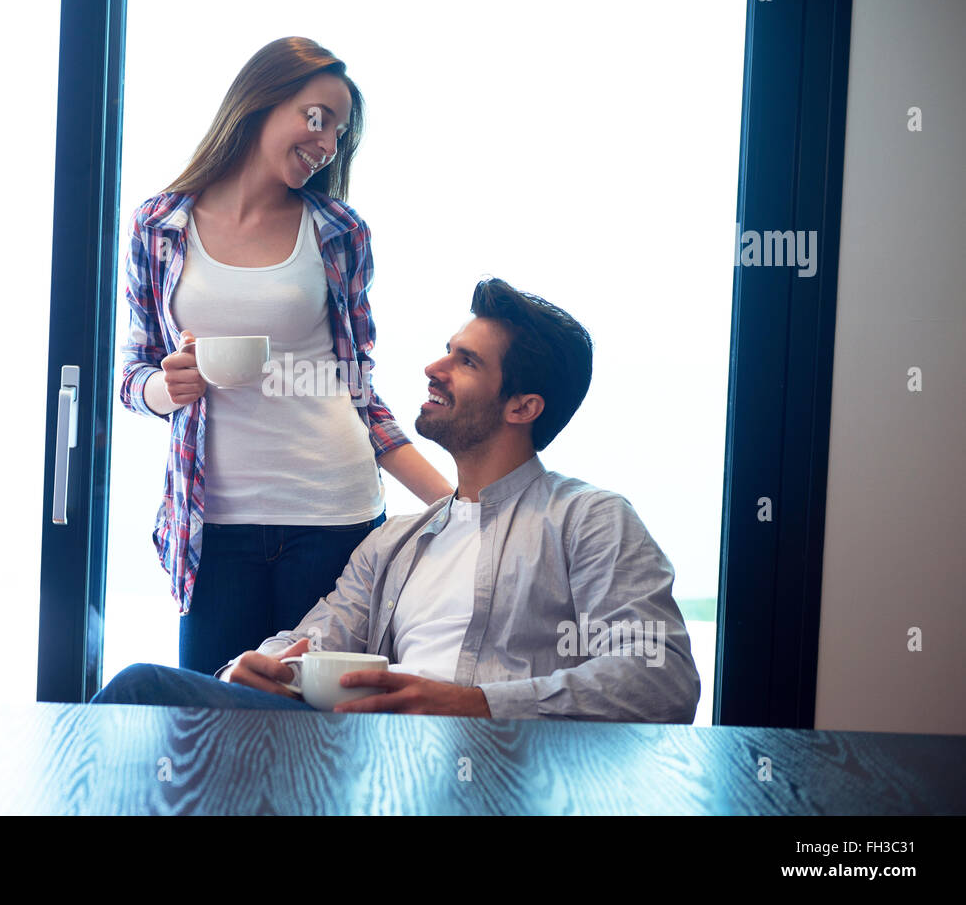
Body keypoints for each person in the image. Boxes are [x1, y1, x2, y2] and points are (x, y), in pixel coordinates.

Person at [96, 278, 701, 722]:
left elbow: (660, 677)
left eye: (465, 361)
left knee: (140, 688)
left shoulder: (590, 521)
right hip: (369, 759)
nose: (434, 368)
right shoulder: (397, 541)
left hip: (502, 770)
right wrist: (257, 668)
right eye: (447, 350)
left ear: (523, 407)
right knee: (150, 700)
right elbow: (319, 637)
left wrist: (475, 705)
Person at [119, 37, 453, 675]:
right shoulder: (159, 226)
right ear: (259, 102)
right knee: (211, 726)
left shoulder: (339, 232)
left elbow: (358, 389)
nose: (327, 143)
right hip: (213, 522)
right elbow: (136, 370)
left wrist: (458, 505)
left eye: (338, 133)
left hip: (334, 512)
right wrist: (167, 389)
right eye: (316, 117)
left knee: (321, 734)